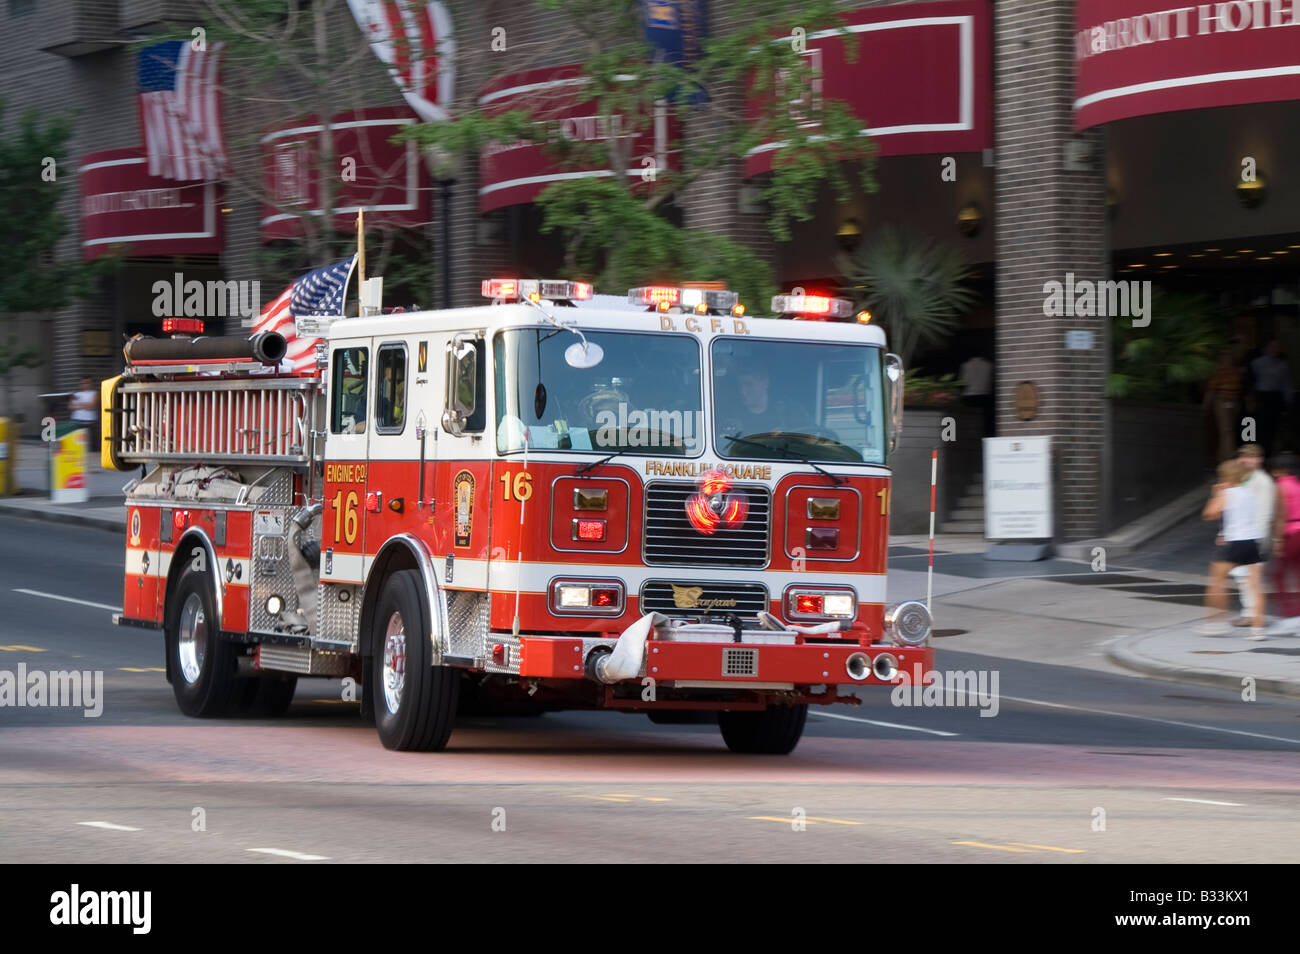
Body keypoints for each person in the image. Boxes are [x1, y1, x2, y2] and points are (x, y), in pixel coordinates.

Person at [1202, 458, 1265, 637]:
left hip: (1234, 542)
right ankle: (1258, 630)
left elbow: (1209, 515)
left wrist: (1216, 494)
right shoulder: (1250, 493)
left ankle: (1215, 624)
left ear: (1226, 476)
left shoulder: (1226, 493)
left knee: (1216, 582)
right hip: (1251, 542)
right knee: (1255, 586)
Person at [1230, 443, 1275, 627]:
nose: (1243, 460)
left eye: (1248, 456)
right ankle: (1249, 612)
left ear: (1259, 459)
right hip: (1241, 535)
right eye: (1242, 456)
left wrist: (1258, 540)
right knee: (1242, 576)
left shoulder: (1262, 481)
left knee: (1250, 578)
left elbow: (1264, 512)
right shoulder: (1244, 478)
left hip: (1253, 537)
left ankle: (1253, 615)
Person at [1269, 452, 1300, 622]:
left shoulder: (1280, 485)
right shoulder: (1297, 483)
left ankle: (1290, 616)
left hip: (1290, 533)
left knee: (1277, 575)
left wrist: (1277, 540)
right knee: (1297, 573)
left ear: (1279, 469)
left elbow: (1280, 515)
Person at [1249, 339, 1291, 458]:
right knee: (1260, 425)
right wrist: (1251, 398)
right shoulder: (1256, 363)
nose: (1275, 349)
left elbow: (1286, 384)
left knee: (1274, 426)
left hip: (1275, 397)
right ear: (1266, 348)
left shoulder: (1282, 365)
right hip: (1262, 396)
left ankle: (1269, 453)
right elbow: (1251, 381)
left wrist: (1288, 401)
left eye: (1278, 347)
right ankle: (1257, 453)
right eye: (1273, 346)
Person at [1204, 351, 1243, 463]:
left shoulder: (1235, 371)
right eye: (1225, 357)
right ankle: (1230, 457)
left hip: (1233, 403)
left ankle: (1222, 458)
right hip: (1221, 402)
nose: (1227, 359)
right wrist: (1206, 404)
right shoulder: (1218, 371)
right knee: (1227, 431)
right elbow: (1211, 390)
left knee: (1227, 432)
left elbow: (1239, 389)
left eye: (1229, 356)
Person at [959, 354, 994, 436]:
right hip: (985, 395)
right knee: (986, 420)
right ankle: (985, 435)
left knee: (970, 419)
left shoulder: (965, 365)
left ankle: (971, 435)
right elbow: (992, 381)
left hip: (969, 396)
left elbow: (963, 381)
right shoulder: (989, 365)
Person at [68, 376, 99, 451]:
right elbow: (70, 407)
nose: (85, 384)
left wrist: (78, 405)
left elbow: (91, 406)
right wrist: (85, 405)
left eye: (87, 383)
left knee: (89, 443)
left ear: (91, 384)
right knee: (77, 441)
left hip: (89, 421)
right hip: (76, 420)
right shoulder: (75, 394)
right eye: (83, 383)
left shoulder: (95, 393)